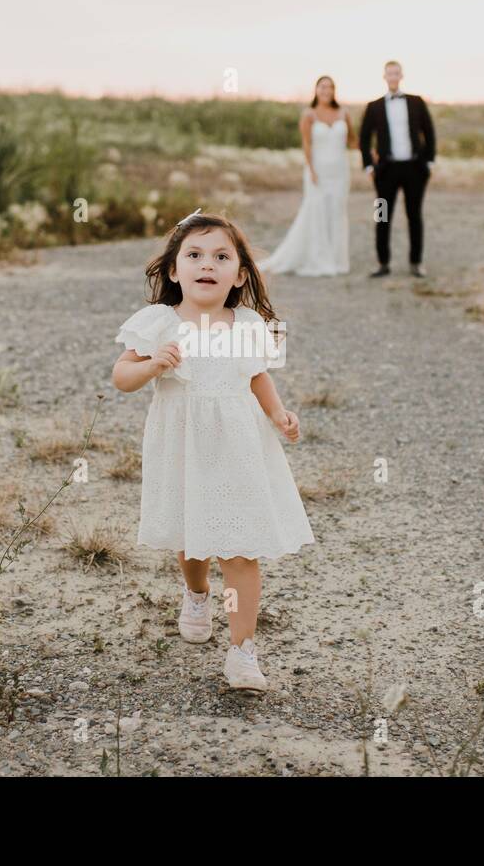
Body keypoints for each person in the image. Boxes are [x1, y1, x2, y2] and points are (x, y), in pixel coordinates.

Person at [111, 210, 315, 692]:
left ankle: (242, 652)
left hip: (240, 445)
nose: (208, 264)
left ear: (240, 274)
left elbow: (257, 374)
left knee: (241, 547)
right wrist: (153, 366)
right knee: (191, 534)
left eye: (221, 256)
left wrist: (279, 414)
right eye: (195, 255)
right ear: (174, 271)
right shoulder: (159, 323)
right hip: (182, 444)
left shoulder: (248, 323)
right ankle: (197, 592)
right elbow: (121, 378)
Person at [260, 75, 352, 276]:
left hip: (340, 171)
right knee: (316, 210)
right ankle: (317, 257)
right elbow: (307, 144)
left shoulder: (343, 112)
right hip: (318, 170)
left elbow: (352, 140)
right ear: (316, 90)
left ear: (334, 90)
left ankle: (337, 260)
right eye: (322, 87)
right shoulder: (309, 114)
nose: (326, 91)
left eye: (329, 87)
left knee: (337, 211)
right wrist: (312, 170)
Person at [358, 60, 436, 277]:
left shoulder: (416, 102)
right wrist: (368, 166)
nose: (393, 77)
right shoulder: (374, 107)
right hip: (385, 172)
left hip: (414, 169)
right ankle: (383, 263)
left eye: (396, 73)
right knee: (382, 216)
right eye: (389, 73)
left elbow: (429, 132)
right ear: (384, 77)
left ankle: (416, 263)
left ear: (401, 76)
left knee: (414, 215)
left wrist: (429, 162)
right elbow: (364, 139)